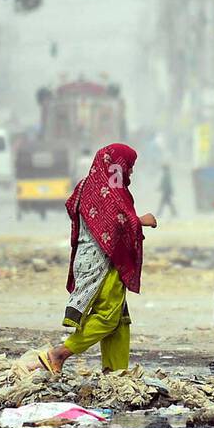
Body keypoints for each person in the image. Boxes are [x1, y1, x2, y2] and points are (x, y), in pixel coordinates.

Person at [38, 143, 157, 373]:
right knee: (107, 317)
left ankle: (116, 373)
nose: (131, 172)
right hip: (102, 263)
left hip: (95, 261)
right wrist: (141, 220)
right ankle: (59, 353)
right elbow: (115, 222)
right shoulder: (107, 190)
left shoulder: (89, 185)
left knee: (120, 321)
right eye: (128, 167)